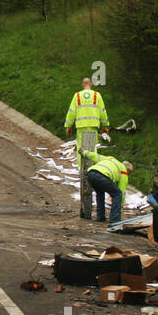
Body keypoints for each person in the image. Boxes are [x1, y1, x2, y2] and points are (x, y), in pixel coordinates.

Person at [64, 77, 109, 219]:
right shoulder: (97, 96)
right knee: (92, 150)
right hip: (93, 128)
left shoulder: (77, 96)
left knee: (81, 151)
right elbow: (102, 111)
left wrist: (68, 126)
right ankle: (93, 168)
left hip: (81, 128)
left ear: (82, 85)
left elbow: (72, 111)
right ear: (91, 85)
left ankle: (81, 167)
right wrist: (105, 125)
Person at [80, 148, 132, 224]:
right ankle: (115, 218)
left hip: (91, 173)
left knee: (100, 194)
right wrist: (119, 209)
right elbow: (122, 192)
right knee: (117, 194)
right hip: (103, 176)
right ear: (128, 171)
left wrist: (84, 152)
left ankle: (100, 217)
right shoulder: (123, 171)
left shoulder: (110, 159)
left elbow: (94, 156)